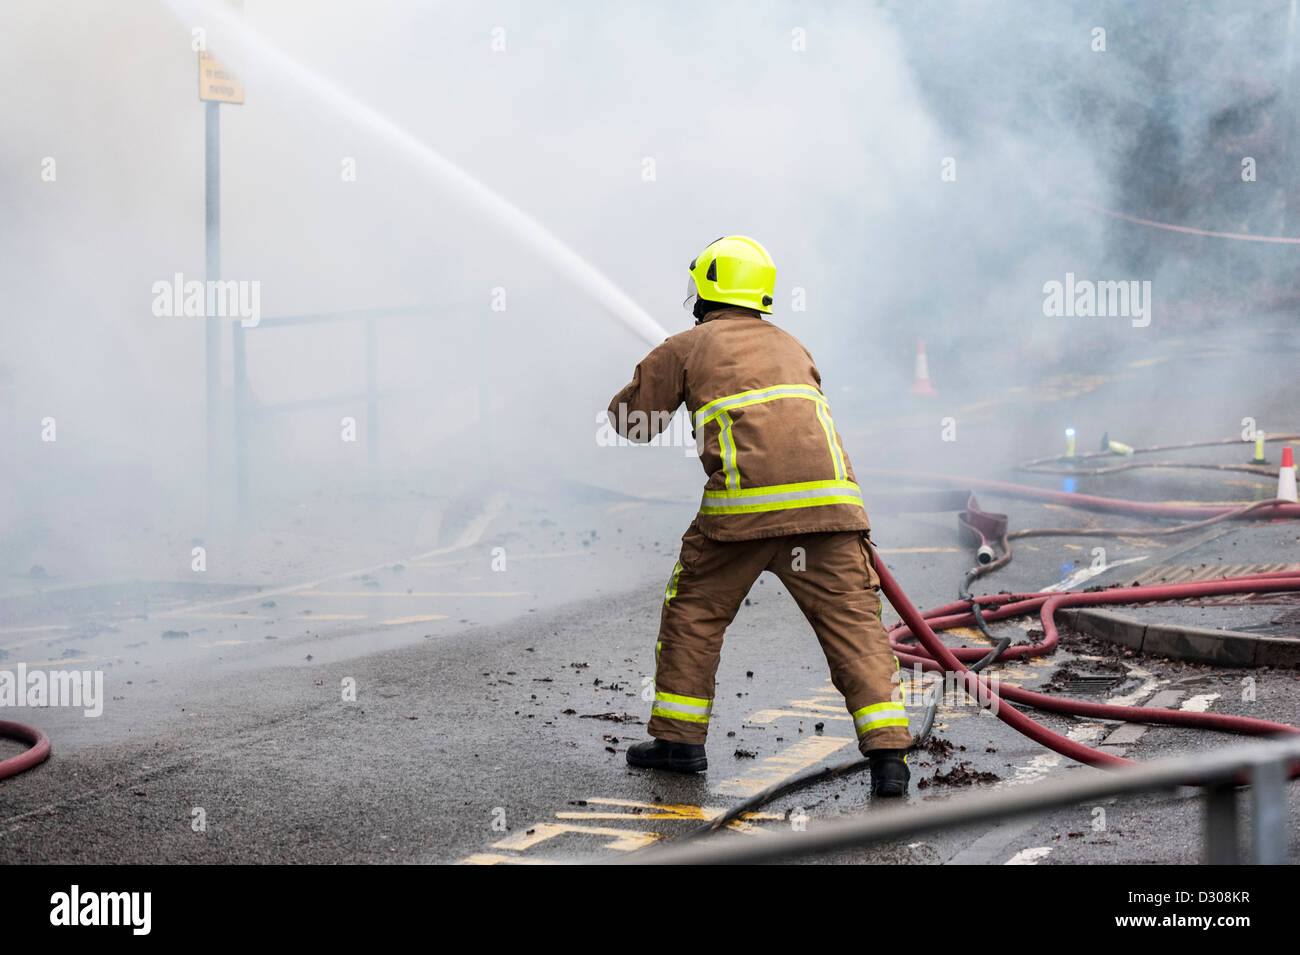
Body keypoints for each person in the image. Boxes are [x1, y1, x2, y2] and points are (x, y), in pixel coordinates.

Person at [606, 235, 911, 797]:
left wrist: (657, 370)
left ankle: (679, 742)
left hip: (741, 520)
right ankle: (890, 758)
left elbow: (633, 425)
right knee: (856, 628)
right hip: (831, 514)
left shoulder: (685, 346)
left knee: (694, 612)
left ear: (705, 287)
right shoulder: (794, 345)